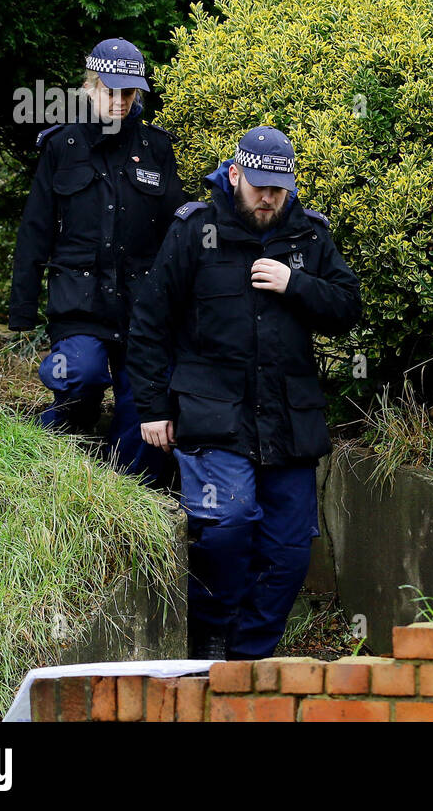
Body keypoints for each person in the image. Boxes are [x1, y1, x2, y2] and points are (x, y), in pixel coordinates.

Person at [126, 125, 361, 660]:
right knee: (228, 522)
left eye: (278, 188)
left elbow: (348, 310)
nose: (268, 198)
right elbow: (149, 322)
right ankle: (209, 636)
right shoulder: (195, 229)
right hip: (213, 415)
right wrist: (153, 408)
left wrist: (294, 284)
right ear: (234, 174)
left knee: (289, 552)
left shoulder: (310, 236)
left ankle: (248, 658)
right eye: (259, 186)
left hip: (288, 421)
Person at [8, 38, 186, 490]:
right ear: (89, 87)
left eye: (128, 93)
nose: (119, 101)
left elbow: (175, 234)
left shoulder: (156, 147)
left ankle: (126, 496)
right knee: (80, 372)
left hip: (141, 307)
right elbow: (34, 231)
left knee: (147, 402)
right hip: (79, 302)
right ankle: (53, 437)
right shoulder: (62, 145)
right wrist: (22, 312)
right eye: (110, 91)